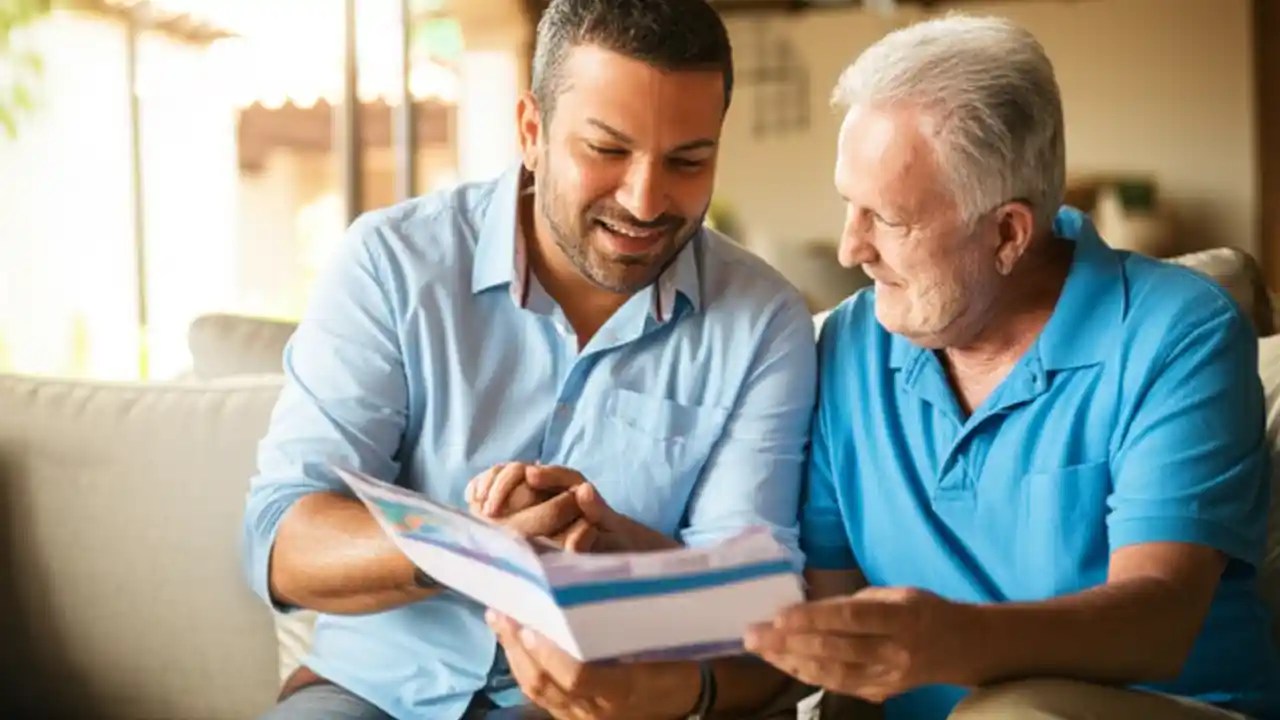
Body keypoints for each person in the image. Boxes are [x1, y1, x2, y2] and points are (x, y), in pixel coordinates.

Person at [241, 0, 818, 718]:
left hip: (602, 700)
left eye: (687, 160)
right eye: (606, 150)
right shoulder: (392, 264)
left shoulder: (764, 323)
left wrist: (614, 551)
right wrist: (474, 549)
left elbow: (755, 603)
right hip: (369, 694)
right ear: (531, 131)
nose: (644, 200)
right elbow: (282, 542)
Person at [744, 14, 1280, 720]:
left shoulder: (1180, 332)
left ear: (1007, 233)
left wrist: (951, 641)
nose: (851, 249)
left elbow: (1157, 622)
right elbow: (824, 620)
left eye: (888, 219)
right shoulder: (847, 347)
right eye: (850, 206)